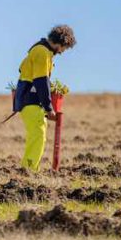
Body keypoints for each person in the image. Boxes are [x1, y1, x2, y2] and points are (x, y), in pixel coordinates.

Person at [13, 25, 76, 171]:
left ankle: (29, 169)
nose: (63, 52)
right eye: (64, 48)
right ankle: (28, 170)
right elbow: (41, 81)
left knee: (37, 135)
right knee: (38, 135)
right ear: (61, 43)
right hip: (31, 101)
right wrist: (49, 108)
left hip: (29, 101)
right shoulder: (42, 52)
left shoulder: (41, 50)